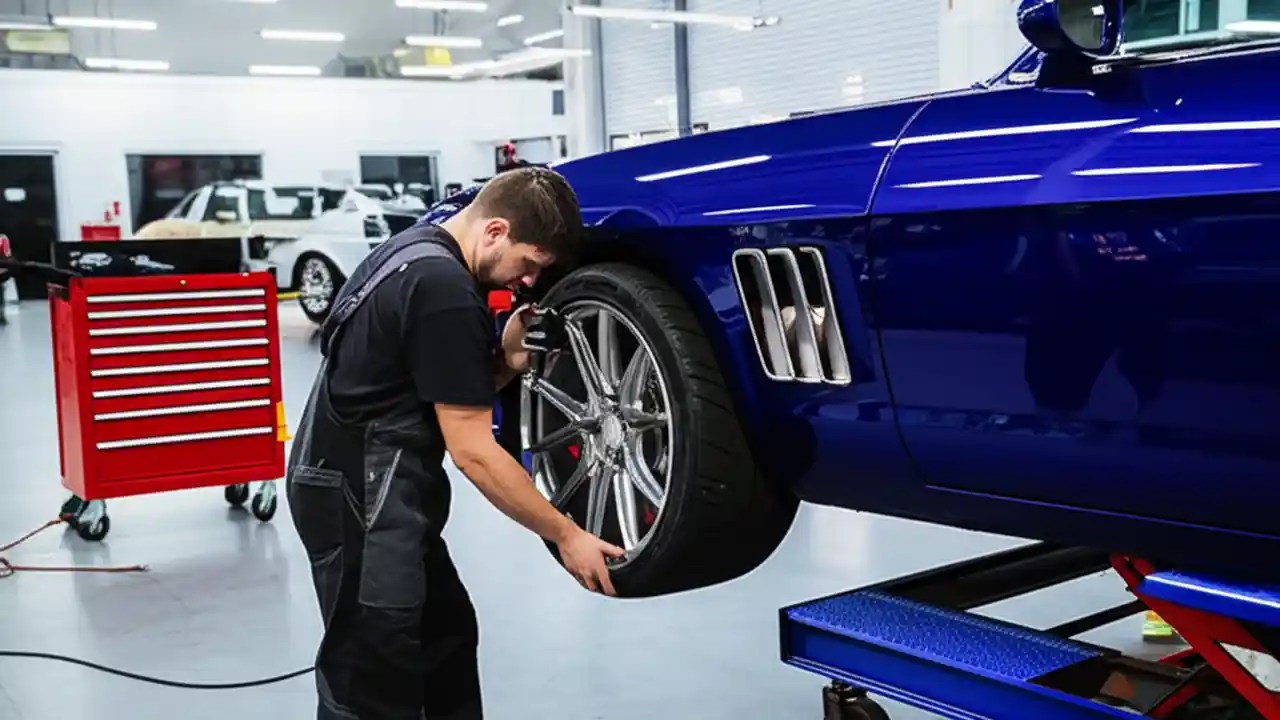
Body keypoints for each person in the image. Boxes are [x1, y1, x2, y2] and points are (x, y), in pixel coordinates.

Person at [286, 166, 625, 720]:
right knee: (376, 671)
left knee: (444, 635)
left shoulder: (413, 250)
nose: (530, 282)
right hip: (362, 499)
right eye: (530, 264)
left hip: (356, 480)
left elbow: (419, 385)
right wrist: (567, 535)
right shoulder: (443, 290)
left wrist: (504, 362)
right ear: (495, 232)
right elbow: (473, 451)